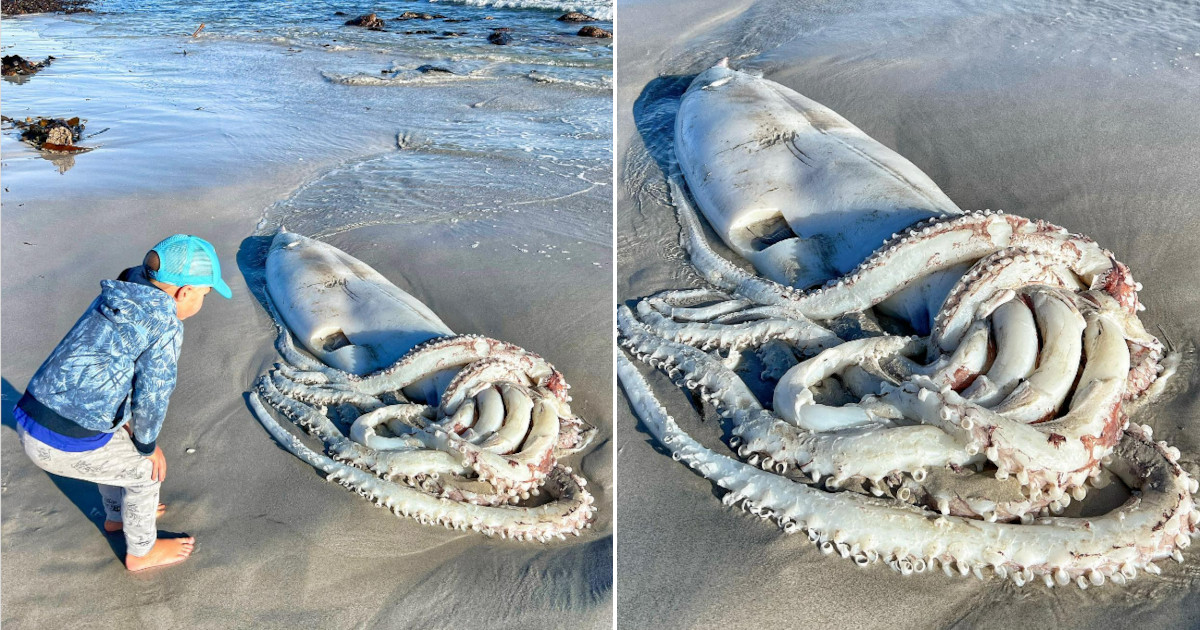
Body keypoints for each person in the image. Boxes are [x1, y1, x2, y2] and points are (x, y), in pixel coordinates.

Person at [13, 234, 232, 571]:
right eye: (204, 294)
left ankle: (118, 517)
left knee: (117, 437)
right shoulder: (165, 323)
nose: (201, 302)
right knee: (147, 472)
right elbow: (153, 394)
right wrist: (147, 446)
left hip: (33, 411)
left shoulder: (121, 290)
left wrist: (129, 429)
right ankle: (142, 551)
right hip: (59, 441)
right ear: (184, 292)